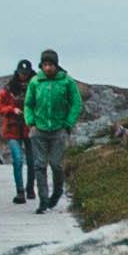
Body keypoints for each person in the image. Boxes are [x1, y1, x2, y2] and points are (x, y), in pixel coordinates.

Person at [23, 50, 84, 214]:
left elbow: (76, 103)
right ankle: (43, 201)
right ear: (41, 65)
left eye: (51, 65)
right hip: (39, 130)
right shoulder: (35, 82)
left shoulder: (67, 82)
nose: (48, 68)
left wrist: (68, 124)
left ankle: (57, 192)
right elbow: (28, 104)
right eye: (45, 65)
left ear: (56, 65)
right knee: (39, 165)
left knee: (56, 164)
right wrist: (31, 123)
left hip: (59, 130)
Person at [0, 54, 39, 206]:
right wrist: (12, 109)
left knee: (32, 160)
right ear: (17, 72)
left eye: (26, 73)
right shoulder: (8, 89)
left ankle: (30, 187)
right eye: (21, 73)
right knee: (17, 160)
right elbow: (0, 106)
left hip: (30, 127)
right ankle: (20, 191)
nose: (23, 76)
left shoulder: (37, 86)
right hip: (12, 128)